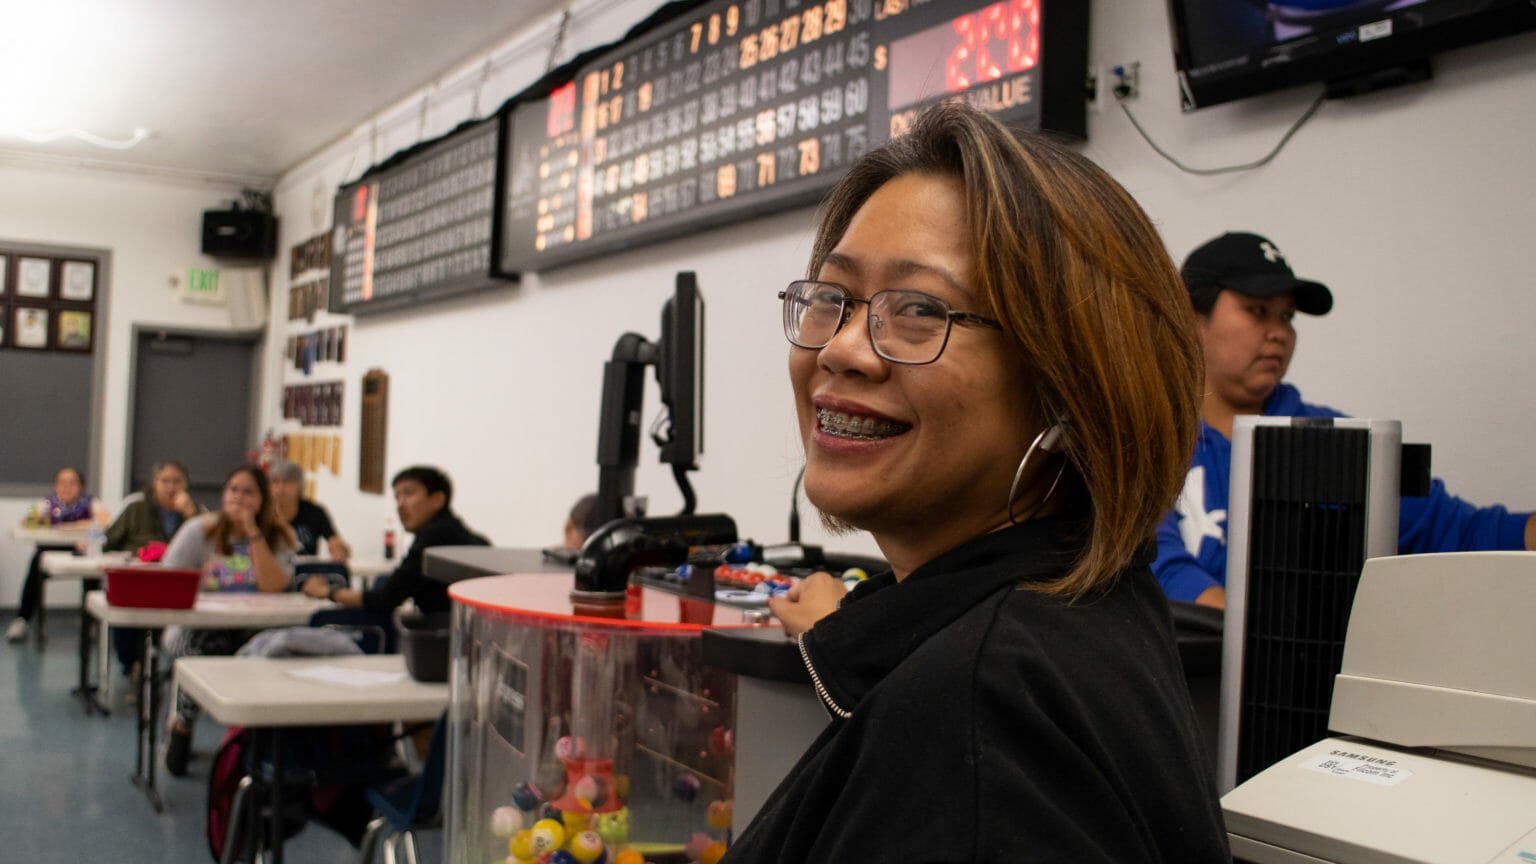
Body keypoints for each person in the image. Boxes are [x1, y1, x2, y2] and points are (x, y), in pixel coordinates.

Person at [725, 103, 1228, 862]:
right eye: (833, 298)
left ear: (1070, 386)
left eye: (920, 310)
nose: (842, 349)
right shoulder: (1069, 622)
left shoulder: (981, 721)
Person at [1153, 232, 1536, 608]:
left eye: (1287, 316)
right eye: (1258, 311)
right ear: (1191, 318)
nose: (1280, 333)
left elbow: (1462, 531)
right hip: (1181, 666)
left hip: (1311, 669)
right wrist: (1252, 637)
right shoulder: (1147, 437)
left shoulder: (1337, 442)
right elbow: (1158, 569)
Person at [160, 463, 298, 775]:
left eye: (248, 492)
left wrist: (252, 534)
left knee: (267, 655)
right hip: (196, 627)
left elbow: (274, 586)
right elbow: (168, 580)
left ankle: (249, 737)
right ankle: (182, 724)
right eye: (233, 490)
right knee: (199, 654)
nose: (238, 498)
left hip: (251, 628)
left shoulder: (278, 538)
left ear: (262, 500)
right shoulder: (199, 531)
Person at [302, 466, 487, 615]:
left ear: (437, 499)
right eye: (397, 496)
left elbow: (386, 599)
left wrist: (327, 592)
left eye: (408, 494)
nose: (400, 504)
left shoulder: (435, 537)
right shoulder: (470, 536)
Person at [100, 460, 202, 674]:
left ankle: (172, 668)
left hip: (178, 586)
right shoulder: (137, 508)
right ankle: (132, 664)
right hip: (140, 582)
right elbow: (108, 542)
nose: (171, 487)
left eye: (177, 481)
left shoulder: (195, 513)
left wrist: (191, 515)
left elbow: (210, 548)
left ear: (186, 485)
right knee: (126, 607)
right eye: (165, 481)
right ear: (154, 483)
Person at [8, 467, 111, 642]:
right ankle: (23, 619)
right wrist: (43, 522)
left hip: (81, 550)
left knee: (93, 572)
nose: (67, 487)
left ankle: (91, 622)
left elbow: (105, 522)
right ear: (56, 485)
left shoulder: (90, 502)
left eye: (72, 483)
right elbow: (26, 522)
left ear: (81, 486)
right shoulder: (47, 504)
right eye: (62, 482)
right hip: (49, 551)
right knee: (35, 568)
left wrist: (71, 527)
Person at [268, 457, 351, 560]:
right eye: (275, 482)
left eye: (287, 482)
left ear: (299, 485)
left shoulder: (314, 512)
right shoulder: (263, 512)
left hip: (306, 572)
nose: (280, 488)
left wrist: (339, 549)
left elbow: (333, 539)